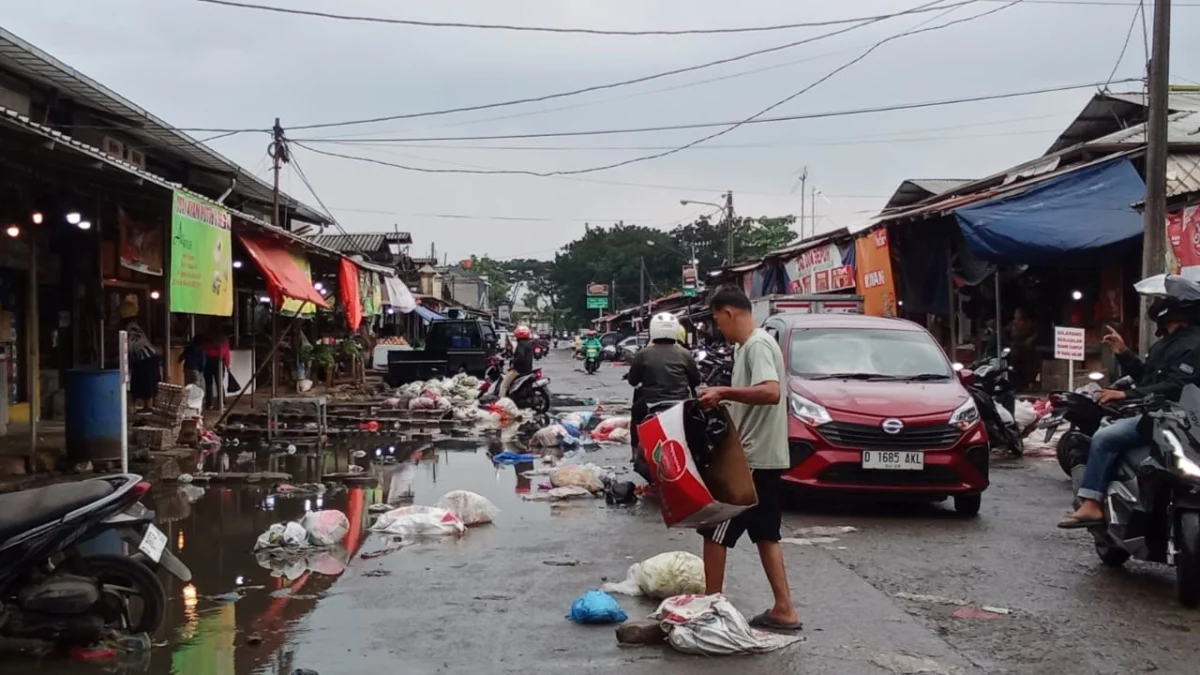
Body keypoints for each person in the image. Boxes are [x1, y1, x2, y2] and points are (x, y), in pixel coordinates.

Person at [695, 285, 801, 631]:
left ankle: (711, 609)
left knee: (714, 529)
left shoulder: (757, 344)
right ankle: (784, 609)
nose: (718, 328)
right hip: (765, 457)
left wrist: (724, 391)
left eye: (718, 321)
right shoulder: (746, 348)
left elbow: (770, 391)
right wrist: (724, 399)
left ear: (729, 313)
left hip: (752, 458)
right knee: (766, 534)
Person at [1058, 296, 1200, 528]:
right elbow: (1147, 379)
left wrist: (1126, 394)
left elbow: (1177, 385)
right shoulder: (1165, 343)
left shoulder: (1193, 343)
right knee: (1105, 431)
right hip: (1157, 416)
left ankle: (1091, 503)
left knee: (1104, 438)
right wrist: (1123, 352)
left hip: (1178, 419)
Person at [627, 314, 701, 465]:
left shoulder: (643, 354)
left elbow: (632, 381)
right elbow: (696, 380)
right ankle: (698, 454)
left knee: (636, 414)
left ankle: (634, 451)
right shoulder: (684, 354)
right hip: (681, 404)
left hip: (651, 404)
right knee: (698, 424)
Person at [119, 298, 159, 412]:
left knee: (143, 382)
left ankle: (145, 406)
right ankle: (146, 406)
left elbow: (131, 345)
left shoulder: (130, 327)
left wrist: (126, 356)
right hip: (146, 357)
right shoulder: (133, 326)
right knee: (143, 382)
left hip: (145, 357)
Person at [499, 325, 535, 398]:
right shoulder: (528, 343)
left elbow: (520, 357)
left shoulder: (521, 344)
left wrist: (513, 361)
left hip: (519, 370)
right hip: (527, 369)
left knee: (503, 385)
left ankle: (501, 401)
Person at [201, 326, 231, 410]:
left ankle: (209, 404)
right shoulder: (223, 338)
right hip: (219, 361)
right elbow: (226, 352)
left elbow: (202, 349)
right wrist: (227, 364)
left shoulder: (206, 337)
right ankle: (221, 403)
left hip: (207, 360)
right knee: (219, 383)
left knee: (208, 383)